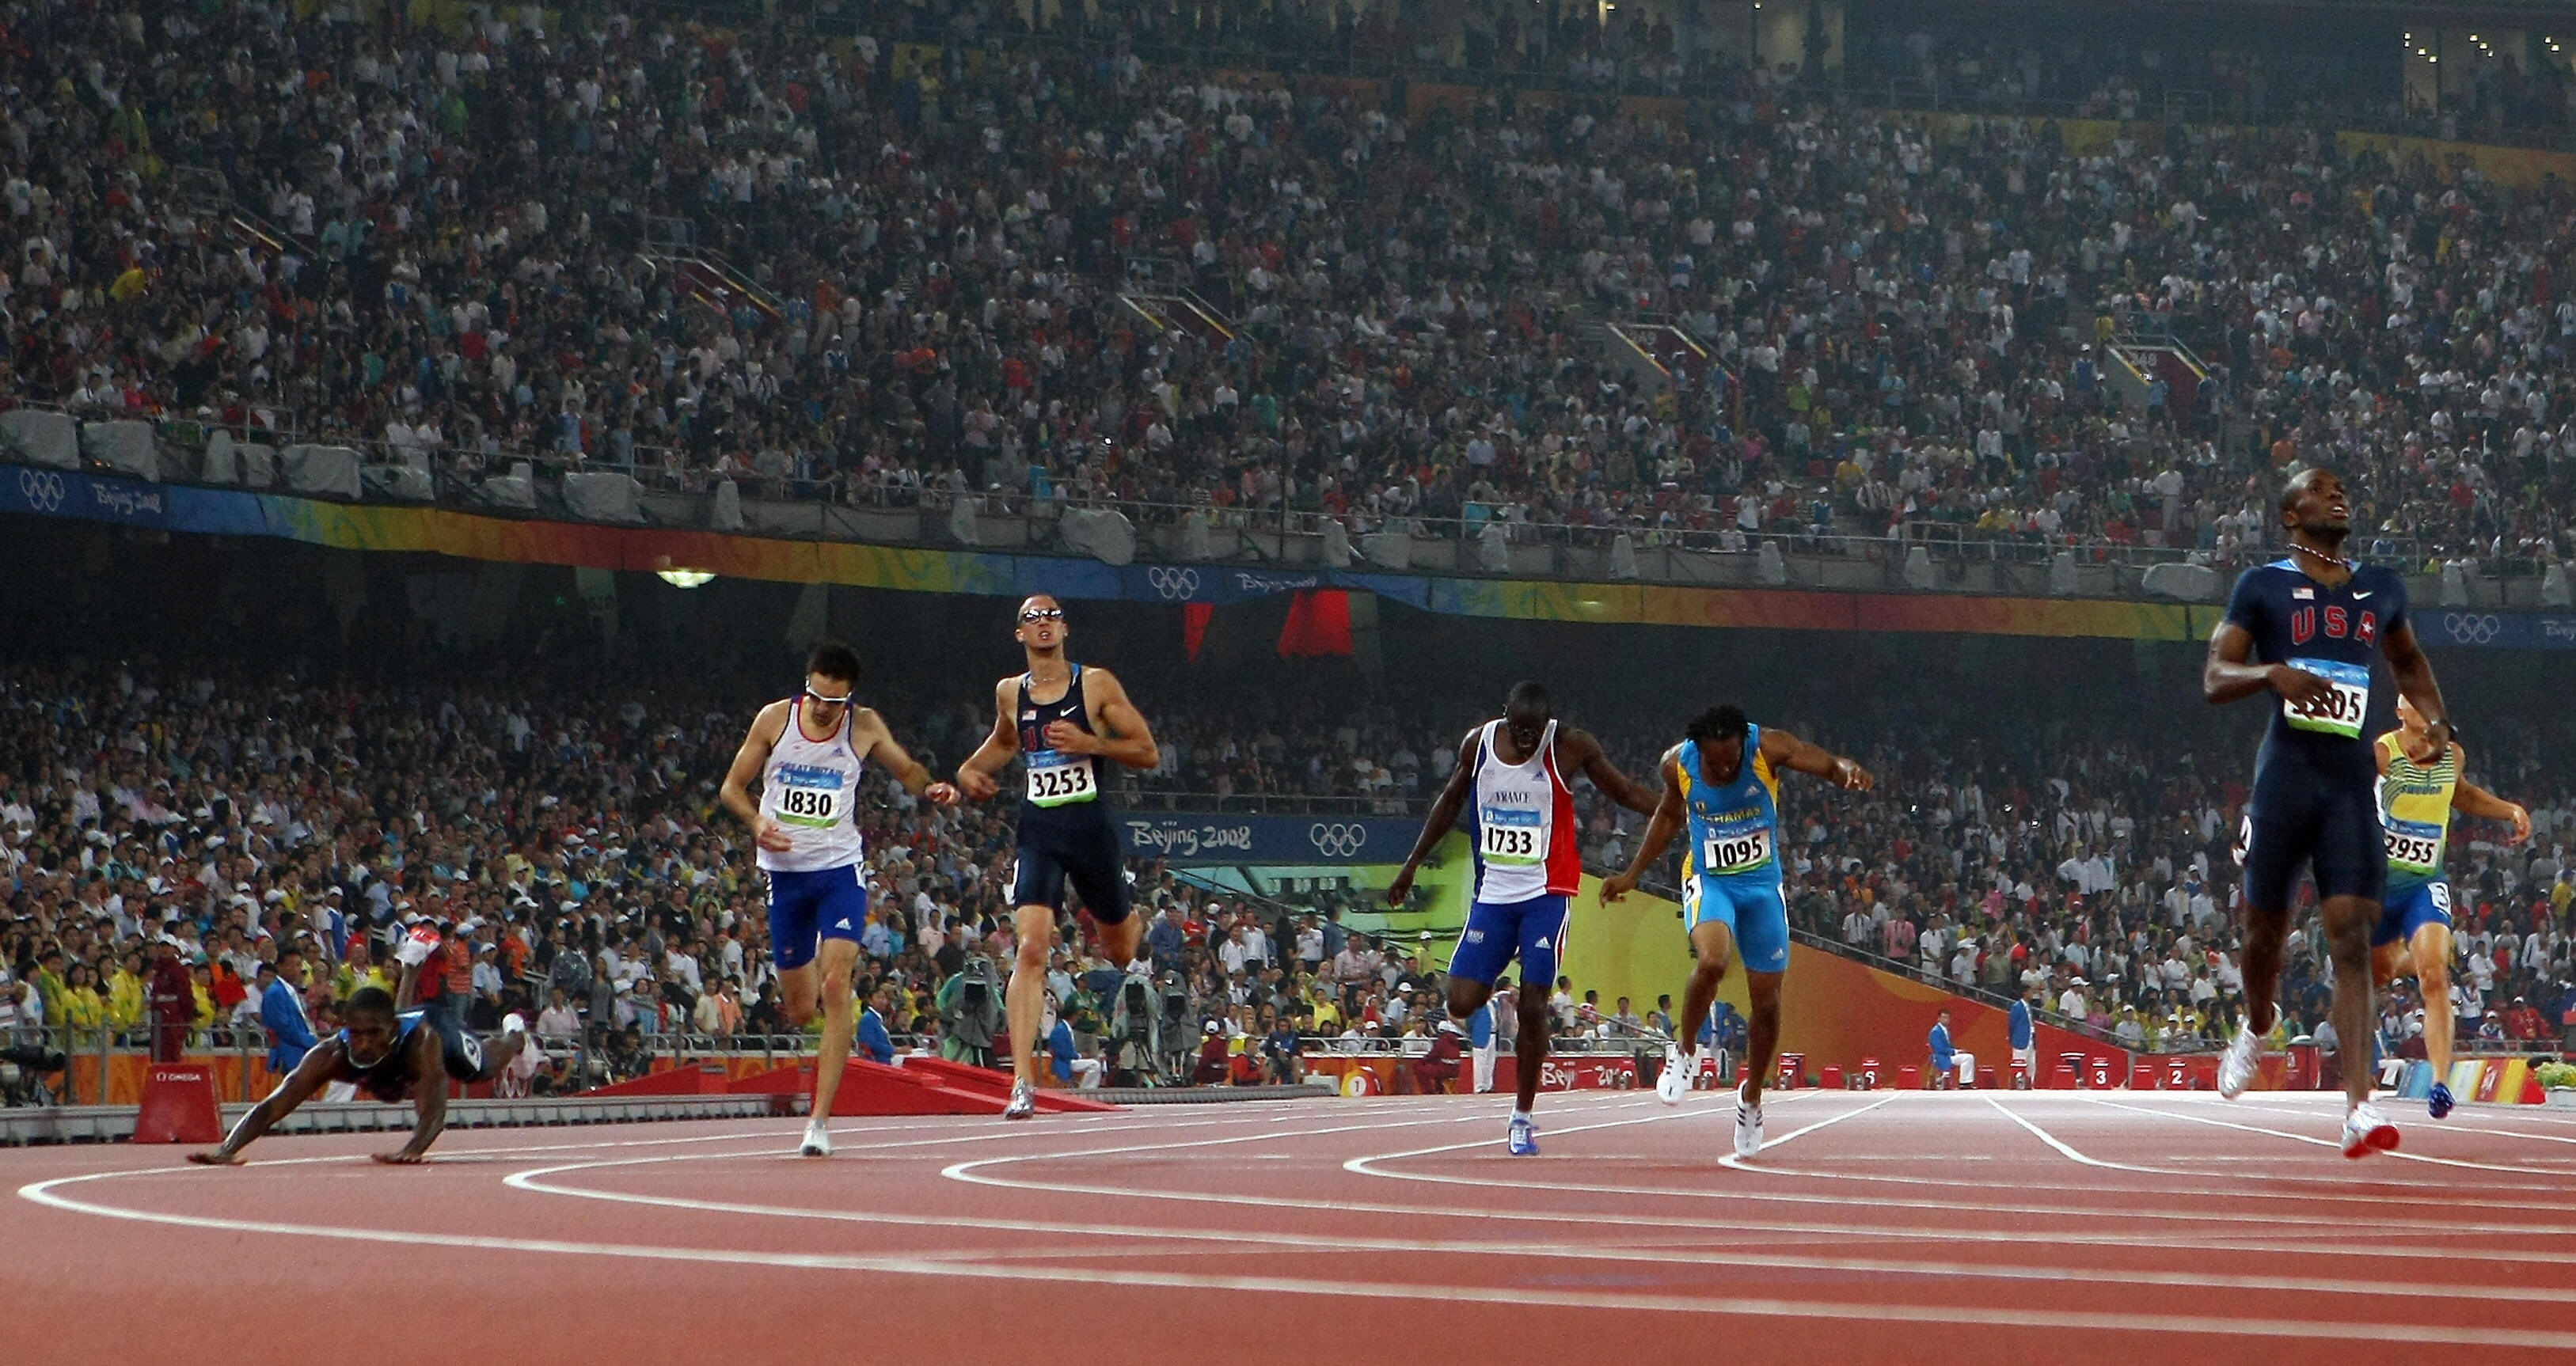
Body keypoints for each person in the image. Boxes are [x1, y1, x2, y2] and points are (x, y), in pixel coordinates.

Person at [2204, 468, 2456, 1158]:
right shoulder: (2262, 586)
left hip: (2347, 784)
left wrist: (2436, 722)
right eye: (2320, 487)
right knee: (2266, 936)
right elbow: (2215, 677)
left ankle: (2358, 1109)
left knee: (2350, 939)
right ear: (2291, 513)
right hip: (2285, 778)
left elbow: (2409, 664)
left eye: (2342, 487)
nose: (2338, 494)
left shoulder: (2382, 587)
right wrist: (2270, 673)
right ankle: (2257, 1025)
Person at [1387, 681, 1660, 1155]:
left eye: (1535, 730)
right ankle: (1494, 969)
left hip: (1546, 894)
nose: (1528, 739)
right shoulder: (1479, 744)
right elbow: (1450, 801)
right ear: (1506, 718)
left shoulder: (1571, 745)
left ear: (1548, 723)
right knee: (1461, 1000)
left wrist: (1679, 811)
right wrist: (1412, 864)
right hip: (1494, 895)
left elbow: (1624, 791)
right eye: (1520, 730)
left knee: (1534, 1004)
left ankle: (1522, 1117)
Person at [721, 639, 958, 1157]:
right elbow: (731, 789)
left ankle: (819, 1122)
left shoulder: (864, 725)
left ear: (851, 698)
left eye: (836, 702)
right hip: (785, 878)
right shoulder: (775, 721)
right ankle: (818, 1095)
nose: (826, 710)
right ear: (806, 687)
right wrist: (757, 820)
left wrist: (931, 787)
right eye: (818, 698)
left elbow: (908, 770)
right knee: (802, 1008)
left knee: (836, 983)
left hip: (838, 871)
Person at [1601, 704, 1871, 1158]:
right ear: (1698, 750)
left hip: (1762, 887)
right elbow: (1668, 818)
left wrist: (1845, 769)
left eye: (1731, 760)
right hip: (1711, 881)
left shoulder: (1767, 747)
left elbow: (1822, 762)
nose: (1725, 768)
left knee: (1766, 1003)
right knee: (1713, 961)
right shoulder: (1678, 764)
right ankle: (1684, 1050)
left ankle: (1751, 1100)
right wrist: (1632, 875)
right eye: (1715, 762)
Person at [956, 595, 1160, 1120]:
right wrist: (970, 772)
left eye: (1051, 616)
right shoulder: (1010, 692)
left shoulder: (1095, 684)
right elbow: (1005, 743)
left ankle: (1129, 915)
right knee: (1030, 951)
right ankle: (1022, 1082)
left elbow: (1146, 751)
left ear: (1064, 628)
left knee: (1120, 951)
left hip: (1090, 830)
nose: (1043, 623)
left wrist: (1091, 741)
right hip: (1039, 830)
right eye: (1032, 618)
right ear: (1018, 634)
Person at [2372, 694, 2531, 1120]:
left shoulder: (2452, 755)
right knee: (2381, 972)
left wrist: (2509, 809)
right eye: (2412, 703)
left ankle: (2440, 1083)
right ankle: (2410, 956)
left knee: (2435, 975)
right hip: (2380, 884)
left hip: (2426, 882)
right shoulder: (2383, 751)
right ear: (2399, 711)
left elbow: (2461, 794)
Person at [190, 981, 528, 1166]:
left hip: (439, 1026)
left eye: (373, 1035)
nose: (363, 1043)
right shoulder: (332, 1055)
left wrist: (413, 1148)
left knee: (479, 1068)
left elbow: (435, 1111)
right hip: (392, 1051)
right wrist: (228, 1148)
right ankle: (411, 964)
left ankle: (515, 1033)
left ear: (392, 1030)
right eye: (357, 1033)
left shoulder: (424, 1042)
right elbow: (276, 1104)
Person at [260, 947, 318, 1075]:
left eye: (298, 965)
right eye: (290, 965)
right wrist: (311, 1041)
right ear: (279, 967)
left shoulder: (292, 991)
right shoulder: (276, 992)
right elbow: (284, 1028)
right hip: (288, 1054)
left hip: (301, 1053)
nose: (295, 969)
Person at [2007, 985, 2035, 1084]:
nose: (2032, 994)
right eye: (2031, 992)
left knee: (2031, 1063)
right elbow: (2012, 1024)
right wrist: (2012, 1038)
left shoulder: (2029, 1007)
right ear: (2024, 993)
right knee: (2019, 1063)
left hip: (2031, 1039)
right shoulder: (2017, 1007)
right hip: (2020, 1039)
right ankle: (2018, 1084)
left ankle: (2030, 1084)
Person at [1928, 1009, 1956, 1084]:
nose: (1946, 1020)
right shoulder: (1936, 1031)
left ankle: (1965, 1083)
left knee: (1969, 1057)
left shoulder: (1946, 1031)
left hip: (1949, 1055)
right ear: (1939, 1019)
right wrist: (1955, 1051)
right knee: (1967, 1058)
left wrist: (1957, 1051)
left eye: (1947, 1018)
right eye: (1944, 1018)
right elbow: (1939, 1049)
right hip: (1941, 1057)